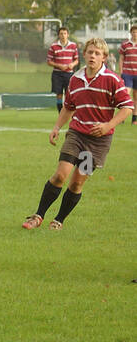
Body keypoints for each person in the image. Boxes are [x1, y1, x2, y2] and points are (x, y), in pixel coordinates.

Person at [22, 38, 132, 231]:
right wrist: (56, 127)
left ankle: (59, 220)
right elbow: (68, 107)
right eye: (90, 52)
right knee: (60, 175)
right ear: (84, 54)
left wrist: (108, 125)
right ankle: (38, 216)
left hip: (98, 142)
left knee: (77, 182)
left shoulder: (113, 79)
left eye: (97, 53)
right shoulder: (75, 79)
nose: (93, 56)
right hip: (76, 135)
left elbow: (127, 108)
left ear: (104, 57)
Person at [47, 26, 78, 112]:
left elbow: (76, 60)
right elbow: (49, 61)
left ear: (68, 35)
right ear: (58, 35)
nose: (63, 35)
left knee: (70, 94)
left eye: (65, 33)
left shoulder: (73, 45)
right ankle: (60, 113)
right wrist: (59, 66)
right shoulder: (53, 46)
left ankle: (70, 113)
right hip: (57, 74)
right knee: (59, 94)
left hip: (69, 74)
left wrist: (72, 64)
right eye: (61, 34)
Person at [119, 25, 137, 123]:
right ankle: (122, 117)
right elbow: (121, 58)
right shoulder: (125, 45)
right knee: (126, 94)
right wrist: (121, 71)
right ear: (131, 33)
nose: (135, 34)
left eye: (136, 32)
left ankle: (134, 118)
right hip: (127, 73)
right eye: (133, 32)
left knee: (136, 97)